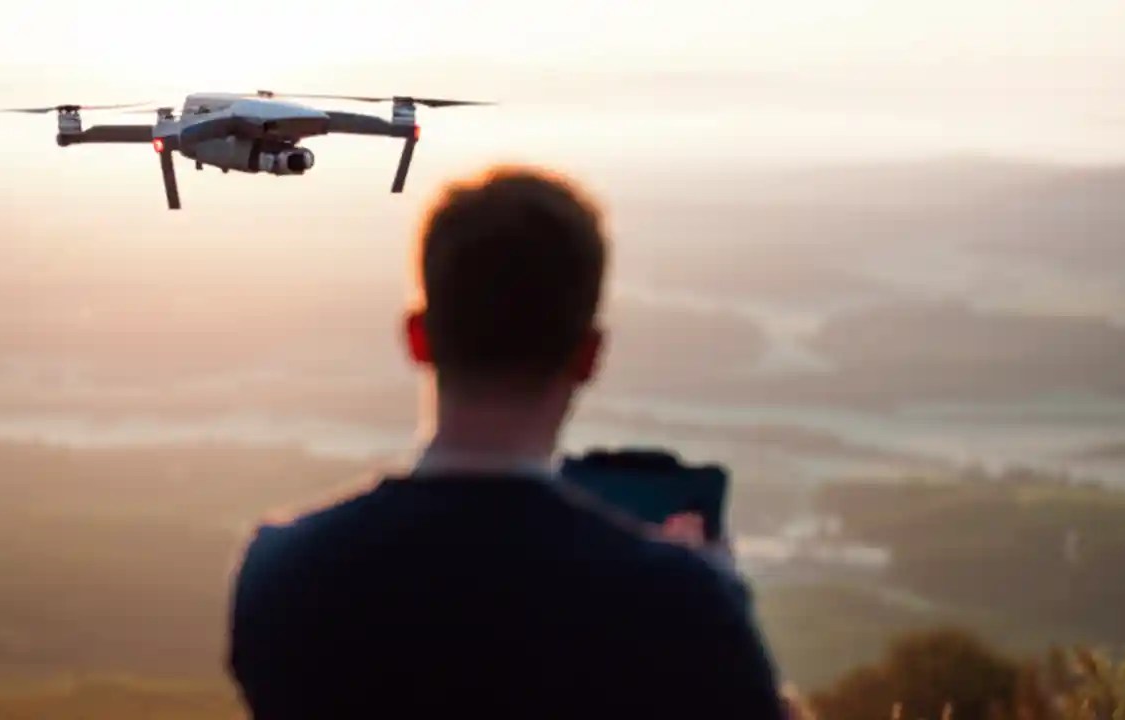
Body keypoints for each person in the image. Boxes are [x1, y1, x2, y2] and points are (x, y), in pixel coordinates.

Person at [227, 165, 784, 718]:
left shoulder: (283, 573)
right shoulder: (678, 606)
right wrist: (712, 598)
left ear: (417, 338)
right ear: (589, 356)